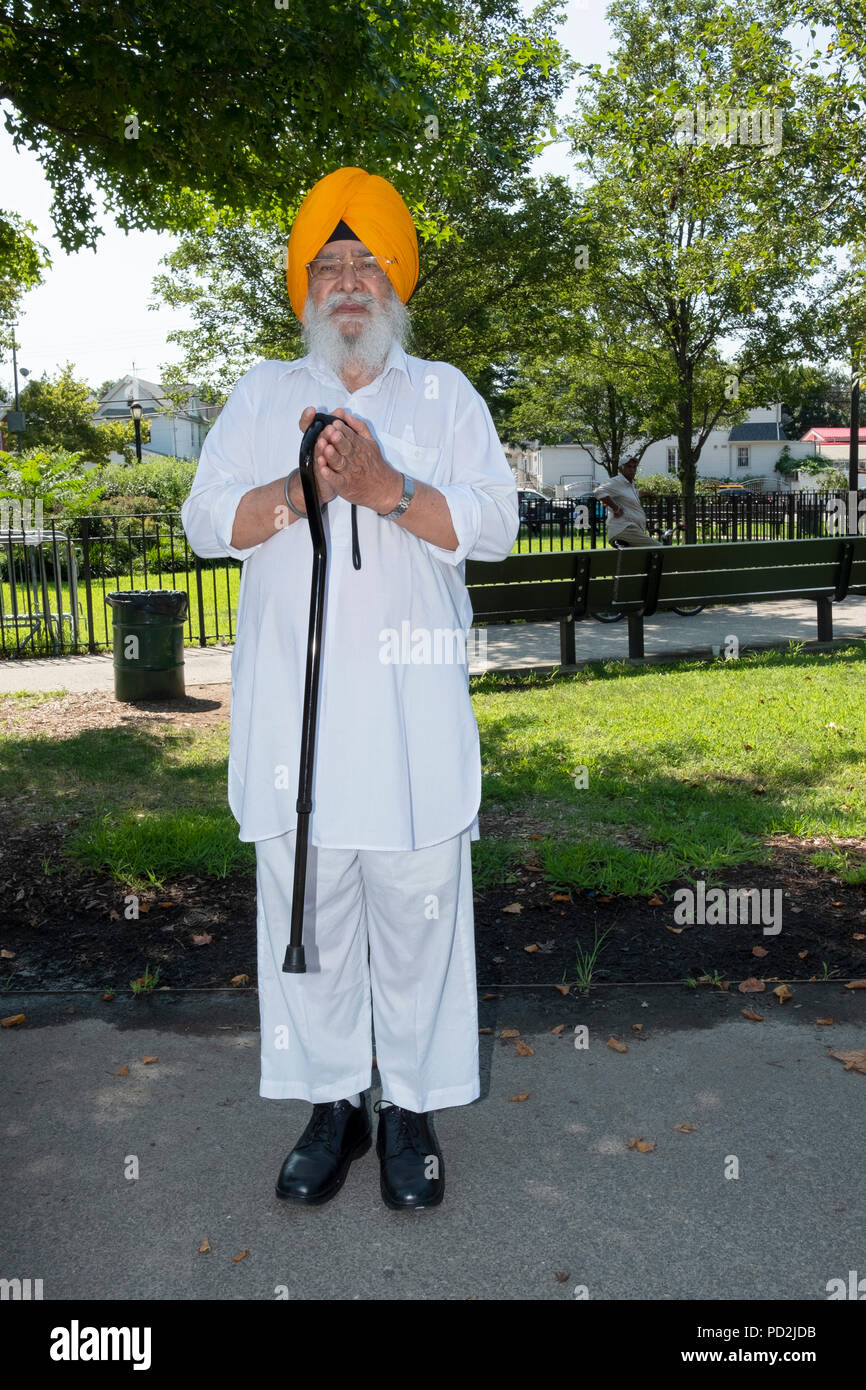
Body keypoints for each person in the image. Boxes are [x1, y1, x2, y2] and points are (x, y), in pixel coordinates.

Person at [181, 167, 519, 1211]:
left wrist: (384, 489)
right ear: (304, 288)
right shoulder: (260, 395)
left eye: (365, 261)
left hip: (412, 728)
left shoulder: (446, 395)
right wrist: (302, 491)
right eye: (327, 265)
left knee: (418, 918)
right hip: (298, 725)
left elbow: (496, 527)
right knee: (309, 923)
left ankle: (410, 1111)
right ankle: (333, 1107)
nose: (347, 282)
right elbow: (203, 526)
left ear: (396, 282)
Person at [593, 456, 661, 547]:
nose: (632, 470)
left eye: (634, 467)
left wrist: (647, 493)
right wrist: (616, 508)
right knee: (659, 548)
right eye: (629, 466)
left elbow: (634, 494)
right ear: (620, 469)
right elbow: (598, 491)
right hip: (624, 529)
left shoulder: (629, 484)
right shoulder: (617, 481)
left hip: (630, 530)